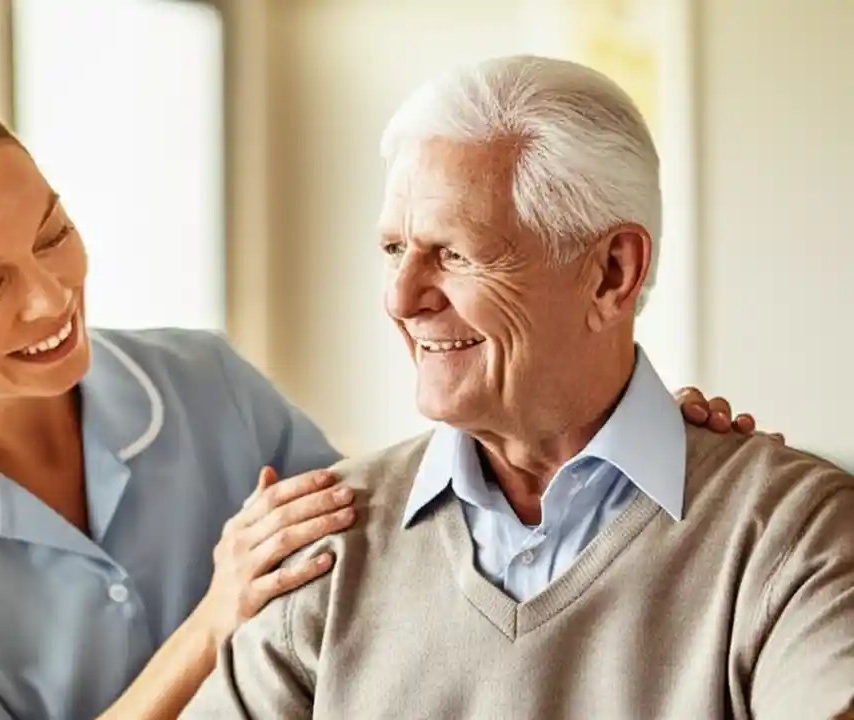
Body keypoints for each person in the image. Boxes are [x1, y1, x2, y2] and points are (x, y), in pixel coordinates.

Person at [0, 74, 759, 720]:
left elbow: (403, 556)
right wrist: (211, 620)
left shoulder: (200, 385)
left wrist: (619, 439)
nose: (51, 294)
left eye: (52, 232)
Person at [181, 55, 854, 719]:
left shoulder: (793, 532)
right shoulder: (319, 547)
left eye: (454, 253)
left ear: (612, 274)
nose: (401, 298)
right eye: (393, 250)